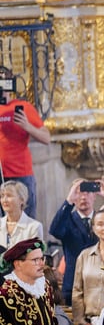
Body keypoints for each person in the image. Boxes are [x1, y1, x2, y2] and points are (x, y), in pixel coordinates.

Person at [0, 66, 51, 218]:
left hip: (20, 175)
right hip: (0, 174)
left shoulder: (24, 108)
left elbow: (46, 138)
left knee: (25, 221)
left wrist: (27, 126)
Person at [49, 178, 101, 302]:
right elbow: (55, 230)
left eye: (87, 192)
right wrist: (68, 202)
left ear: (94, 195)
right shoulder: (67, 220)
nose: (83, 197)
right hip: (73, 284)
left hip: (99, 283)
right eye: (78, 193)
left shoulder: (102, 219)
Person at [0, 180, 44, 248]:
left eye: (9, 195)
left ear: (22, 199)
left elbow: (35, 253)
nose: (4, 200)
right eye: (2, 196)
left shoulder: (34, 227)